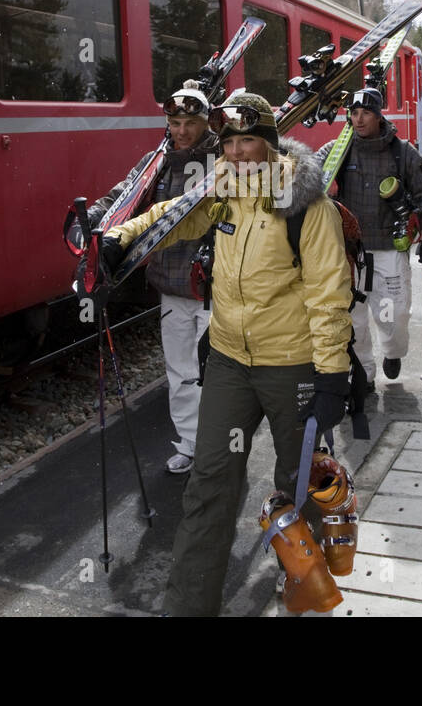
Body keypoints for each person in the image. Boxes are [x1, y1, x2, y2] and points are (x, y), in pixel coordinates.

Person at [102, 92, 353, 616]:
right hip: (230, 363)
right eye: (230, 143)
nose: (237, 153)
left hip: (293, 366)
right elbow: (172, 215)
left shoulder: (307, 205)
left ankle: (303, 593)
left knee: (297, 487)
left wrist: (332, 376)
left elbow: (328, 294)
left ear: (268, 144)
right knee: (209, 485)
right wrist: (118, 238)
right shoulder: (222, 191)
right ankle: (190, 607)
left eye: (248, 142)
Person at [86, 82, 219, 474]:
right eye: (174, 122)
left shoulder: (224, 158)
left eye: (189, 123)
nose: (181, 131)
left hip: (215, 287)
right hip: (170, 284)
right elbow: (123, 195)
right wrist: (94, 220)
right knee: (179, 373)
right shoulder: (156, 160)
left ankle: (220, 450)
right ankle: (190, 445)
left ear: (204, 121)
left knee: (215, 375)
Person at [319, 87, 422, 385]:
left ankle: (392, 350)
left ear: (379, 115)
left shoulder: (402, 153)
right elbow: (309, 172)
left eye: (366, 113)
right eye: (354, 113)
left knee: (393, 315)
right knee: (354, 319)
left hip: (389, 248)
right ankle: (363, 375)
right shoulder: (338, 149)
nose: (358, 120)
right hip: (349, 252)